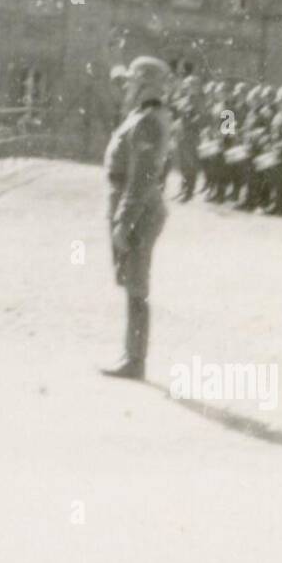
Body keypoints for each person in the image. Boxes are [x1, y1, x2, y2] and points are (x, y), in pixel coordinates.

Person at [101, 55, 174, 382]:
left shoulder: (148, 121)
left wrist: (124, 220)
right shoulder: (144, 115)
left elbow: (142, 178)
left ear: (145, 84)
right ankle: (131, 354)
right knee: (132, 280)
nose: (127, 86)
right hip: (135, 204)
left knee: (136, 283)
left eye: (132, 81)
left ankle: (135, 360)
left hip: (138, 209)